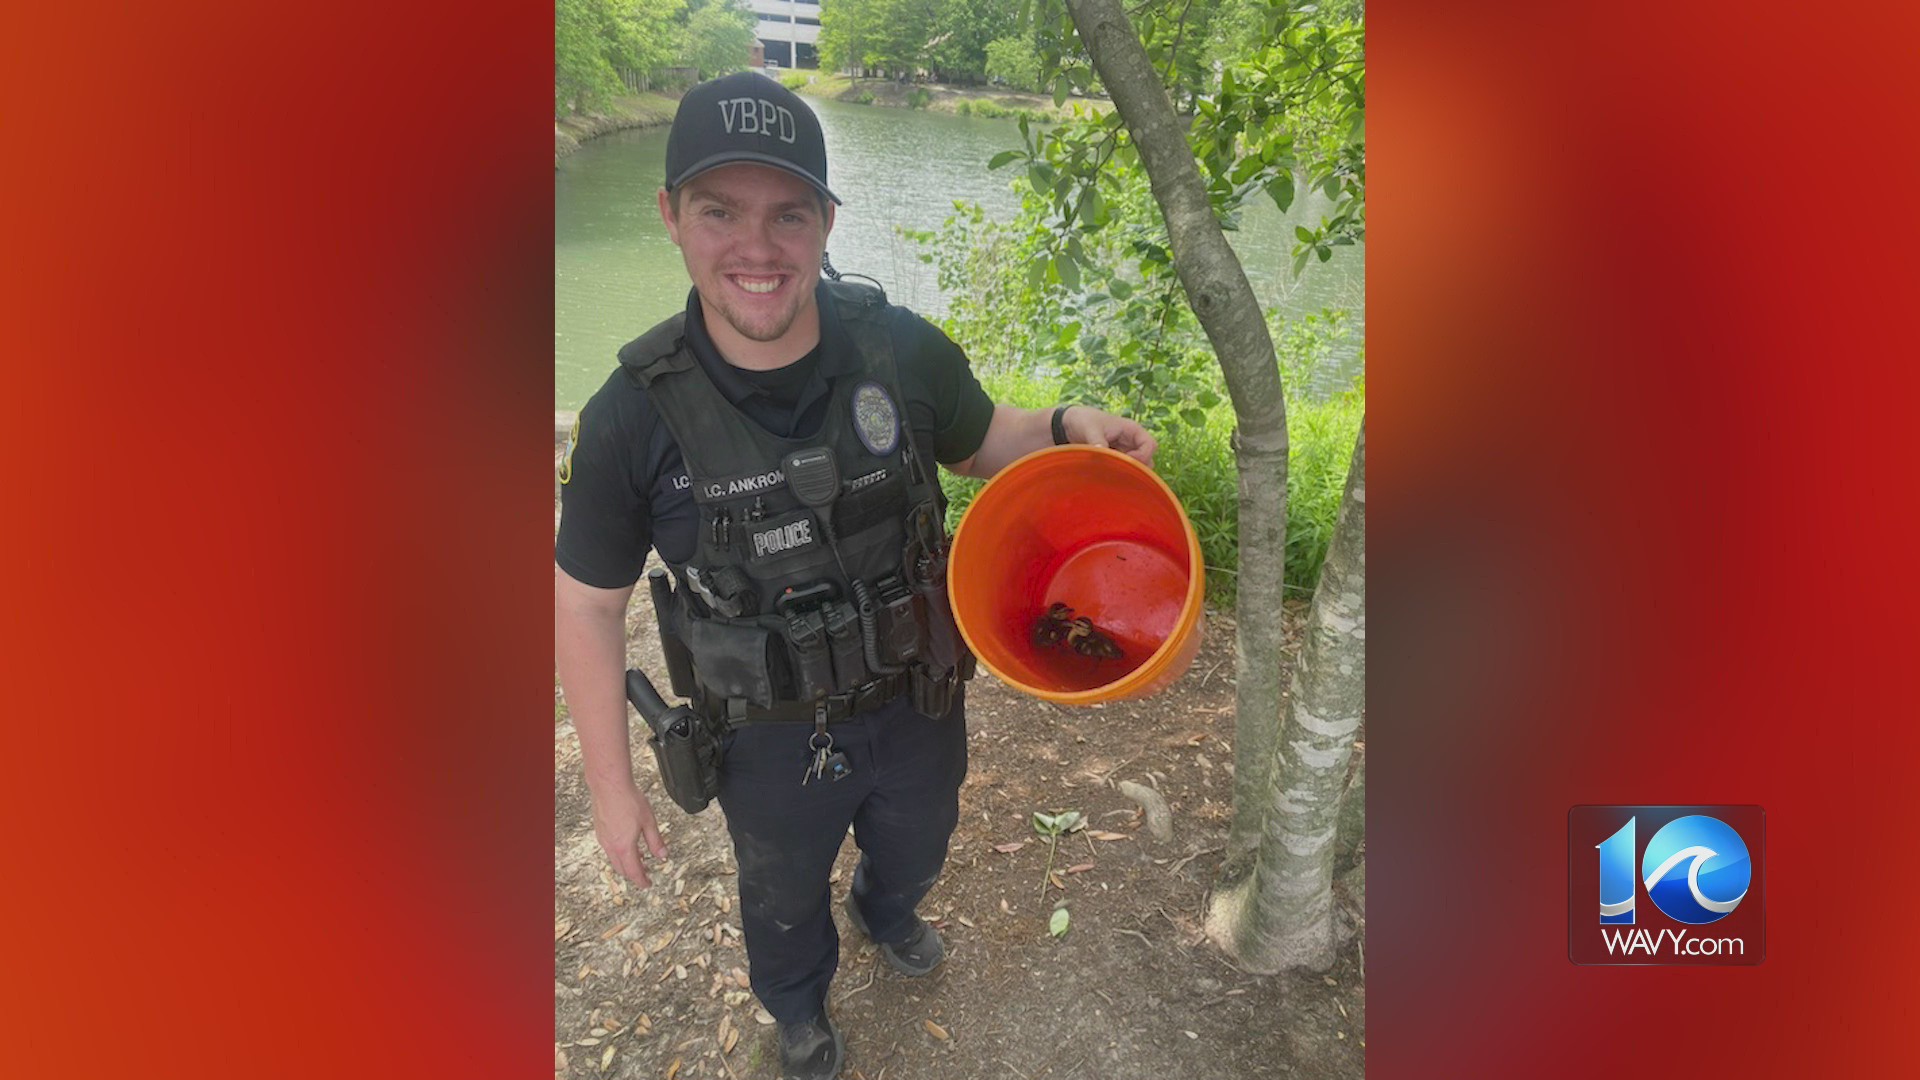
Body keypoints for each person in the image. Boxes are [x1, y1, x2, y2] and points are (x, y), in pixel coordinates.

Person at [553, 72, 1155, 1080]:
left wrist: (1061, 427)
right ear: (669, 217)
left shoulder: (901, 351)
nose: (758, 247)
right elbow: (586, 603)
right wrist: (612, 791)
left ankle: (889, 909)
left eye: (789, 213)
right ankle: (796, 1009)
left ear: (828, 221)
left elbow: (981, 441)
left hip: (920, 700)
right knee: (780, 896)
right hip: (762, 739)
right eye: (720, 211)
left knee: (919, 843)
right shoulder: (631, 415)